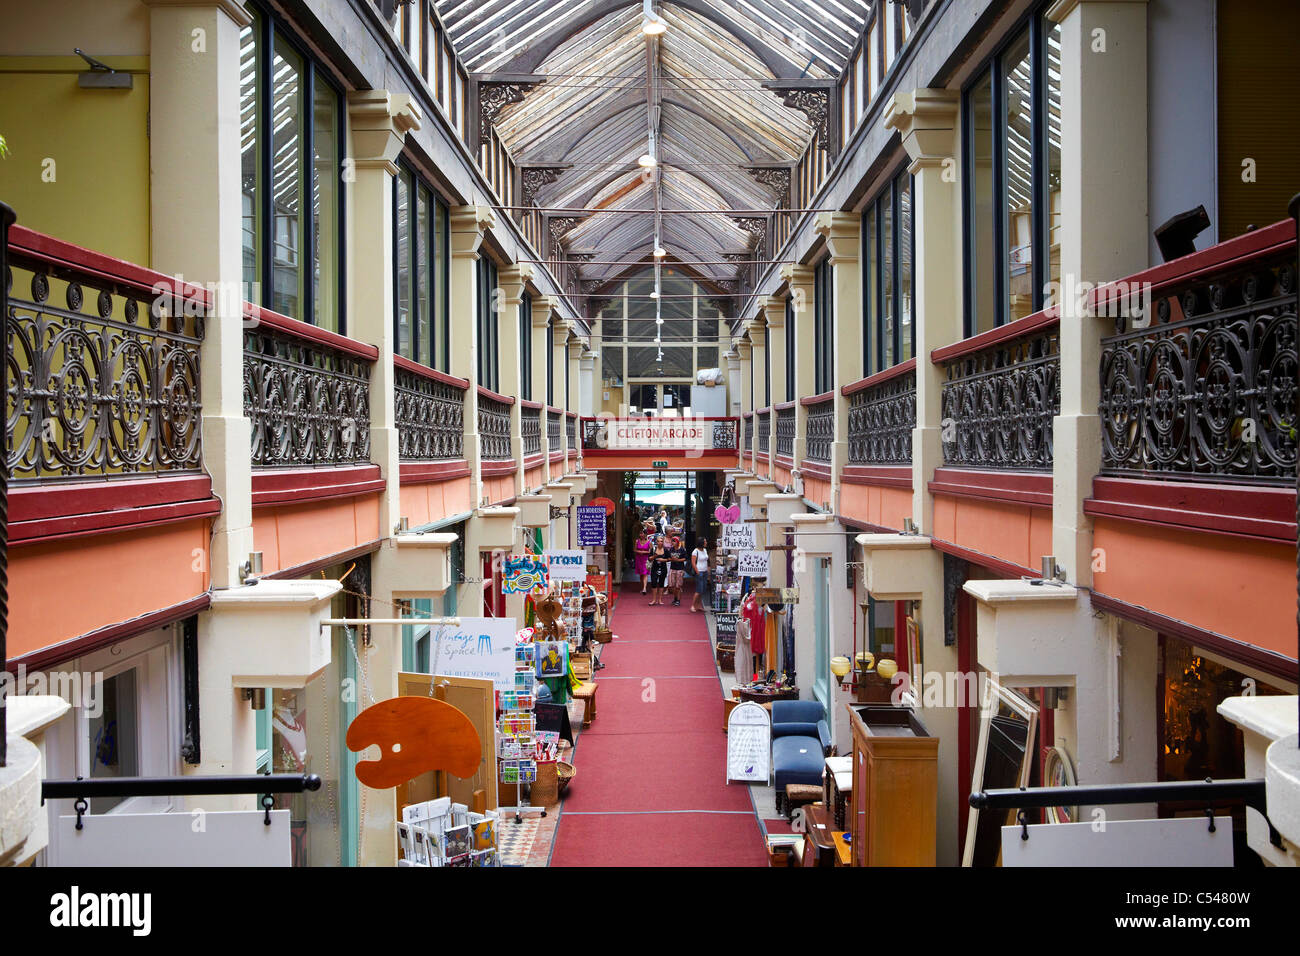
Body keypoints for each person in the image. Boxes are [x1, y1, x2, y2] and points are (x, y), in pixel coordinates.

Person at [667, 537, 688, 607]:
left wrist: (677, 560)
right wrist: (671, 559)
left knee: (678, 586)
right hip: (672, 568)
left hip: (680, 569)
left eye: (674, 541)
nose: (673, 542)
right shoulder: (671, 549)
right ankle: (675, 598)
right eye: (672, 541)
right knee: (671, 585)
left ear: (677, 542)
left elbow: (685, 558)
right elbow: (668, 557)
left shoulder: (682, 549)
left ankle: (678, 600)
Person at [689, 537, 709, 613]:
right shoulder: (695, 551)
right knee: (698, 590)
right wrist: (697, 571)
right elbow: (693, 563)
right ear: (701, 543)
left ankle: (698, 605)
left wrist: (707, 570)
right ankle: (693, 605)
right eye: (705, 541)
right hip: (699, 572)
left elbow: (706, 561)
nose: (706, 542)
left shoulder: (705, 550)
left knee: (703, 590)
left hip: (705, 572)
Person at [648, 536, 669, 605]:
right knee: (653, 583)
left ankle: (660, 600)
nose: (660, 542)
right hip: (654, 568)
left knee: (661, 584)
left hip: (663, 568)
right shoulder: (653, 549)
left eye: (661, 541)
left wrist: (663, 560)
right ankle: (654, 600)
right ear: (656, 542)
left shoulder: (665, 550)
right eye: (659, 541)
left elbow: (669, 559)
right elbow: (649, 559)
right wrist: (654, 556)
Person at [634, 529, 652, 594]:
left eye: (642, 533)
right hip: (638, 558)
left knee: (645, 573)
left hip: (645, 559)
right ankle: (642, 587)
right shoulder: (637, 541)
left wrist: (644, 552)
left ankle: (644, 588)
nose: (641, 535)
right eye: (640, 533)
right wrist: (639, 551)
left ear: (645, 534)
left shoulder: (649, 542)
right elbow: (635, 550)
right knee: (641, 574)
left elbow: (651, 551)